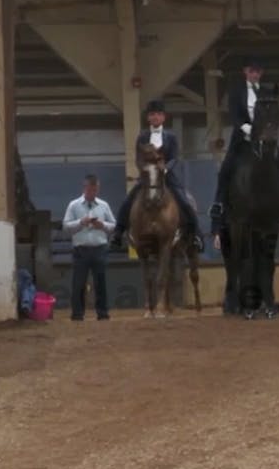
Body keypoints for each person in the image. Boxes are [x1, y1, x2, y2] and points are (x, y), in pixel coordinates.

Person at [208, 56, 279, 232]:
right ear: (245, 72)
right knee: (226, 169)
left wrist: (265, 131)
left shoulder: (266, 92)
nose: (255, 74)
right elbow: (234, 115)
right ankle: (218, 205)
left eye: (258, 71)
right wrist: (247, 128)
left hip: (264, 141)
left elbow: (272, 114)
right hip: (243, 141)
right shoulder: (236, 91)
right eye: (252, 71)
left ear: (261, 73)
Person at [111, 100, 205, 252]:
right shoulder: (142, 137)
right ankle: (118, 233)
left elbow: (174, 158)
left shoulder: (171, 137)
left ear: (163, 117)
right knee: (127, 201)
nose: (155, 117)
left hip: (167, 177)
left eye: (158, 114)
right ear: (148, 118)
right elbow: (138, 159)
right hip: (148, 178)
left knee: (185, 202)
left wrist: (165, 169)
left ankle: (196, 236)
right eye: (152, 114)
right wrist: (145, 170)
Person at [62, 175, 116, 321]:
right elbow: (66, 227)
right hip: (81, 250)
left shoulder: (104, 205)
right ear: (84, 188)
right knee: (78, 283)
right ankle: (77, 314)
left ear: (98, 189)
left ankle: (102, 313)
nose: (93, 192)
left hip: (100, 248)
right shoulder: (74, 205)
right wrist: (81, 222)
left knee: (101, 283)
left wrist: (103, 225)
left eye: (95, 189)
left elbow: (114, 225)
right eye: (90, 189)